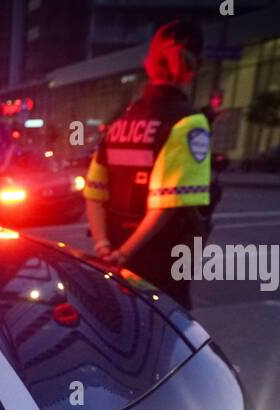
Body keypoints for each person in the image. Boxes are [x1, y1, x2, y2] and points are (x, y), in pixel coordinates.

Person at [83, 20, 210, 309]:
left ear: (148, 63)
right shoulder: (189, 123)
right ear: (195, 67)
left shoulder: (121, 122)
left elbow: (94, 193)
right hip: (163, 257)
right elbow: (166, 204)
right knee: (168, 334)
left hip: (114, 249)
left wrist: (105, 247)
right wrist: (126, 254)